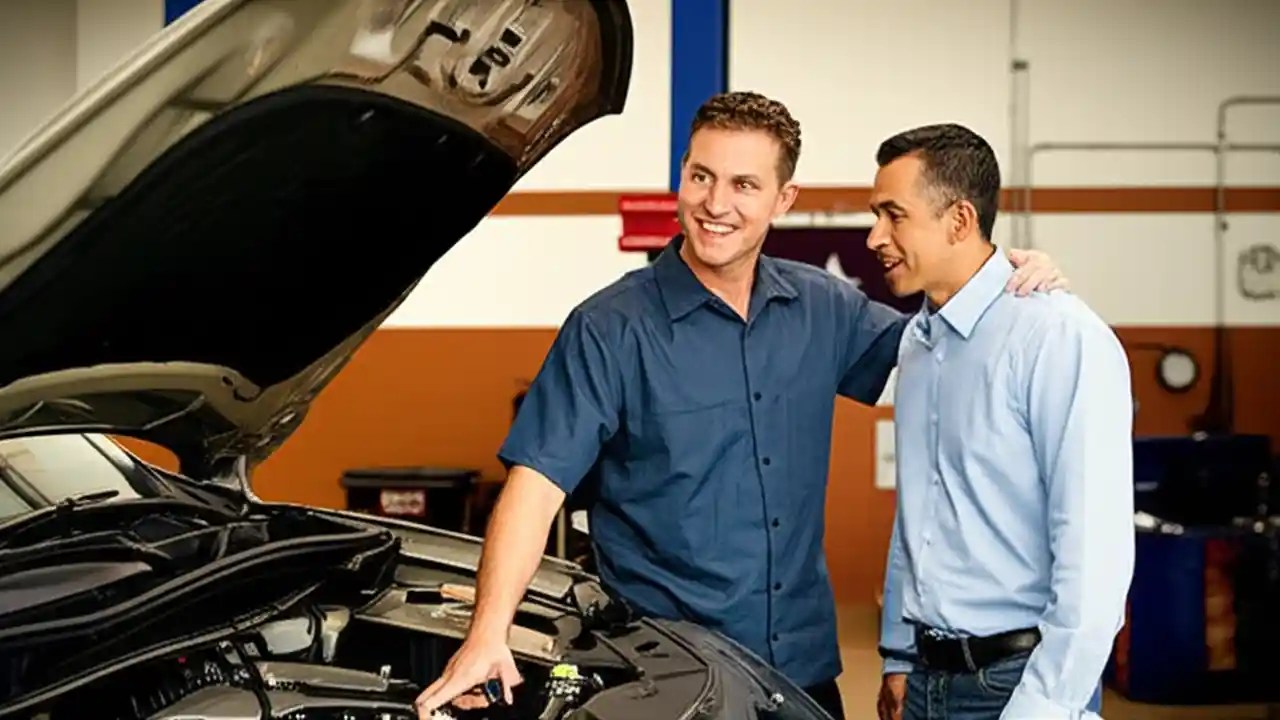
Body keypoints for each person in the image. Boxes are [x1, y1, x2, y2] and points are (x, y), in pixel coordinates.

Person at [414, 92, 1067, 719]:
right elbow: (535, 484)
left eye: (743, 185)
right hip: (666, 677)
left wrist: (1002, 278)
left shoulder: (824, 309)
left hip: (802, 674)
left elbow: (945, 347)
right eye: (701, 176)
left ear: (783, 198)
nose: (715, 203)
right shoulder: (611, 327)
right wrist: (486, 634)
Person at [870, 124, 1135, 720]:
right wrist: (897, 655)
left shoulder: (1056, 336)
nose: (874, 237)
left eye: (893, 215)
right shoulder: (918, 341)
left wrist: (1045, 705)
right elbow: (922, 505)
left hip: (1018, 684)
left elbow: (1095, 552)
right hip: (925, 677)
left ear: (959, 220)